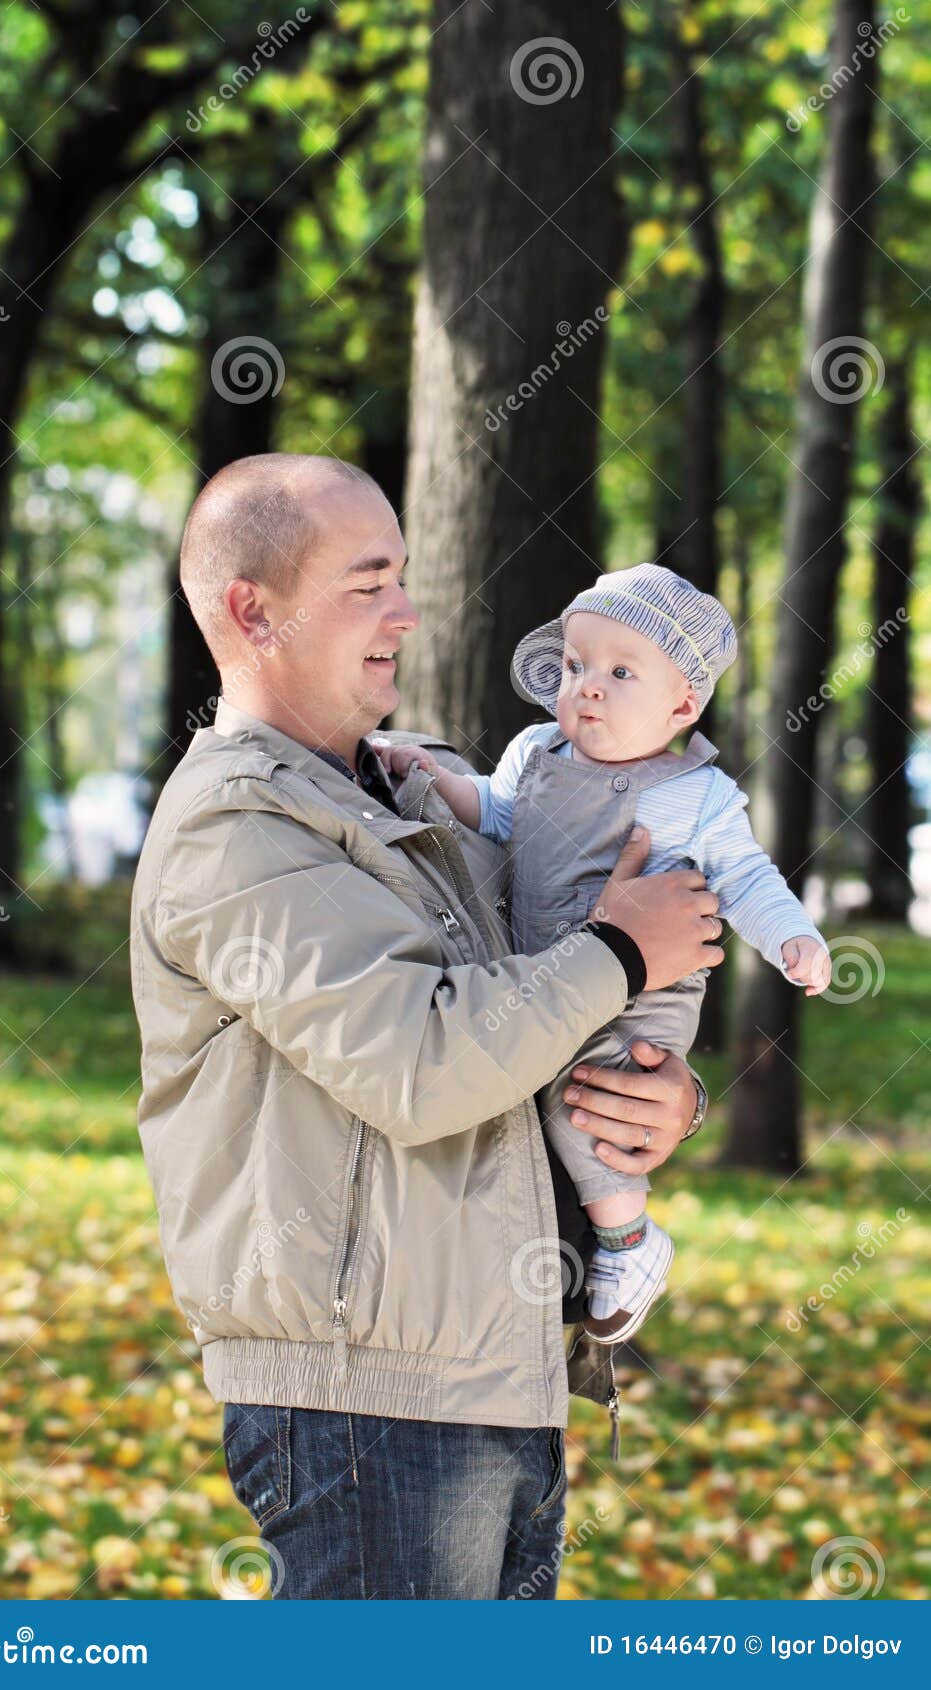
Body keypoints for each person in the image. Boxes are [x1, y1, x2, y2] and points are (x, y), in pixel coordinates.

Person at [130, 454, 724, 1600]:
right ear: (255, 610)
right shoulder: (236, 829)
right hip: (368, 1408)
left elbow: (543, 1011)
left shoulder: (423, 791)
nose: (406, 612)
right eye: (367, 582)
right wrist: (615, 950)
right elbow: (424, 1064)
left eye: (402, 575)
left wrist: (668, 1096)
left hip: (500, 1373)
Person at [377, 563, 831, 1350]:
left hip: (640, 994)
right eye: (579, 666)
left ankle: (627, 1241)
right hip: (547, 968)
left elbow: (746, 875)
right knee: (538, 1076)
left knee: (582, 1102)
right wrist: (434, 778)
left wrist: (791, 936)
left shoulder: (695, 796)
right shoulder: (535, 751)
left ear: (680, 706)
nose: (587, 687)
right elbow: (492, 812)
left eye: (620, 673)